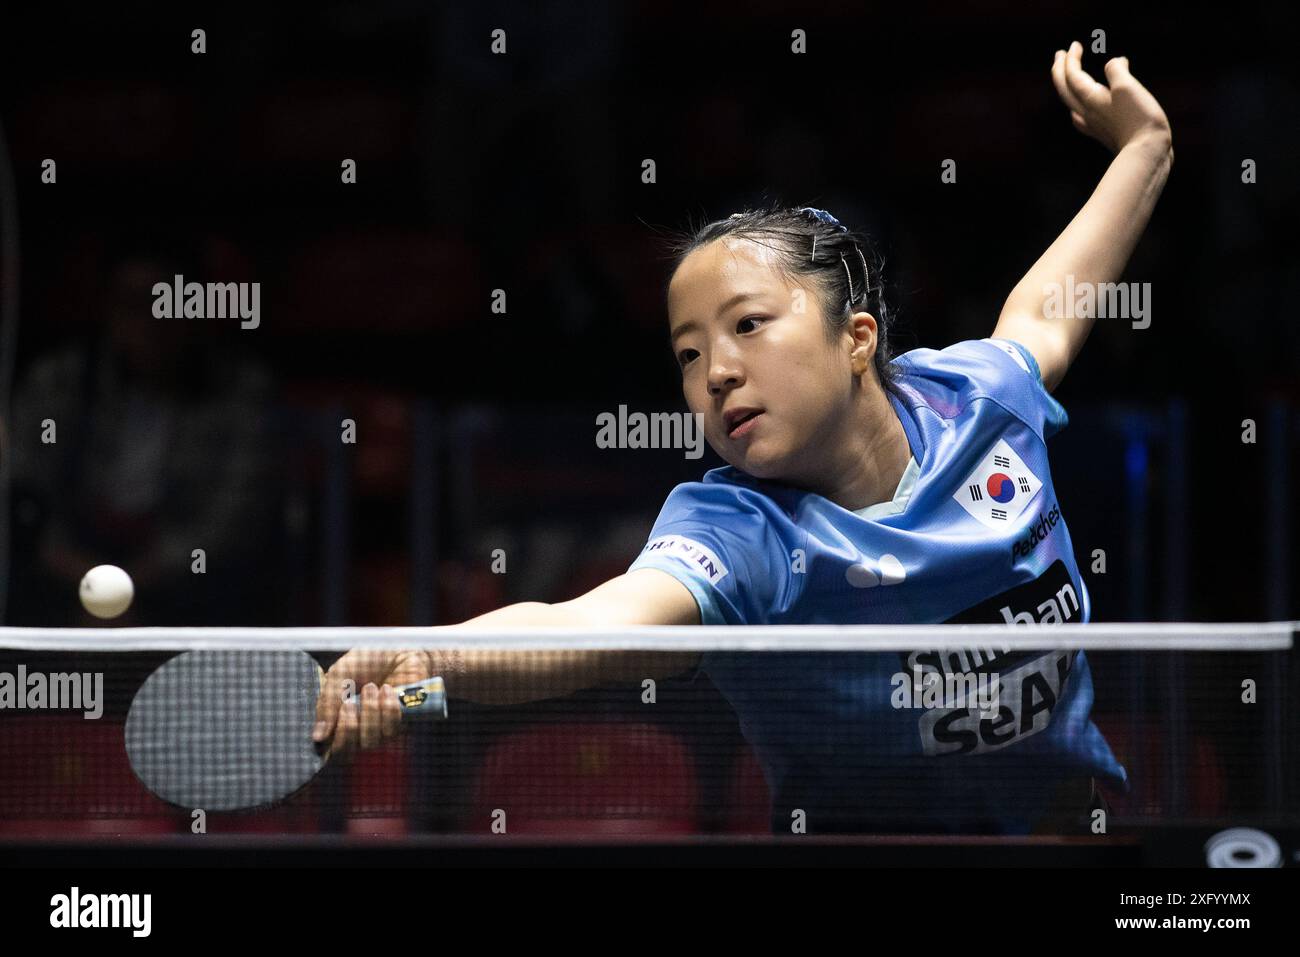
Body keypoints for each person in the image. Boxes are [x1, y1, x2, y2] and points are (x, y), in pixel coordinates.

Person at [314, 42, 1174, 834]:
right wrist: (432, 656)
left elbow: (1047, 308)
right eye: (689, 353)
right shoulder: (739, 531)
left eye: (749, 325)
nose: (715, 372)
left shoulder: (977, 403)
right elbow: (600, 626)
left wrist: (1145, 145)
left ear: (858, 337)